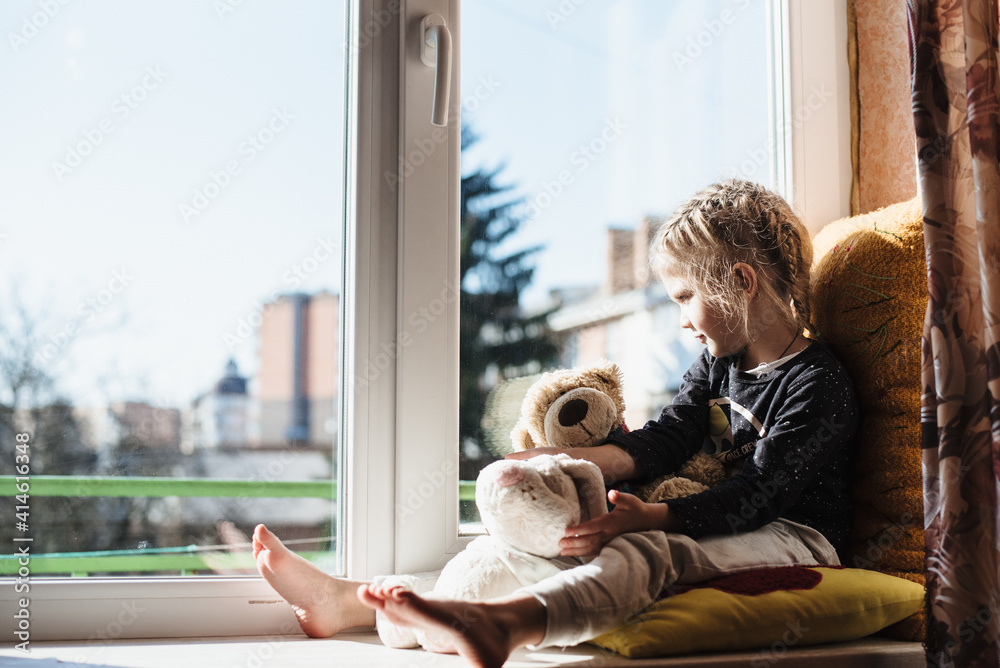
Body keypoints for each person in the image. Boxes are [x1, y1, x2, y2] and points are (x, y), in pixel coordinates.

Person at [254, 179, 859, 668]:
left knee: (648, 550)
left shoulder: (816, 383)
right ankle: (352, 602)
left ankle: (510, 626)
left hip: (797, 539)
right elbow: (667, 438)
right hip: (718, 515)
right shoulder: (717, 362)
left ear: (740, 283)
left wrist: (650, 516)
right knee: (542, 545)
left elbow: (761, 494)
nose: (681, 320)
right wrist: (566, 464)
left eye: (682, 297)